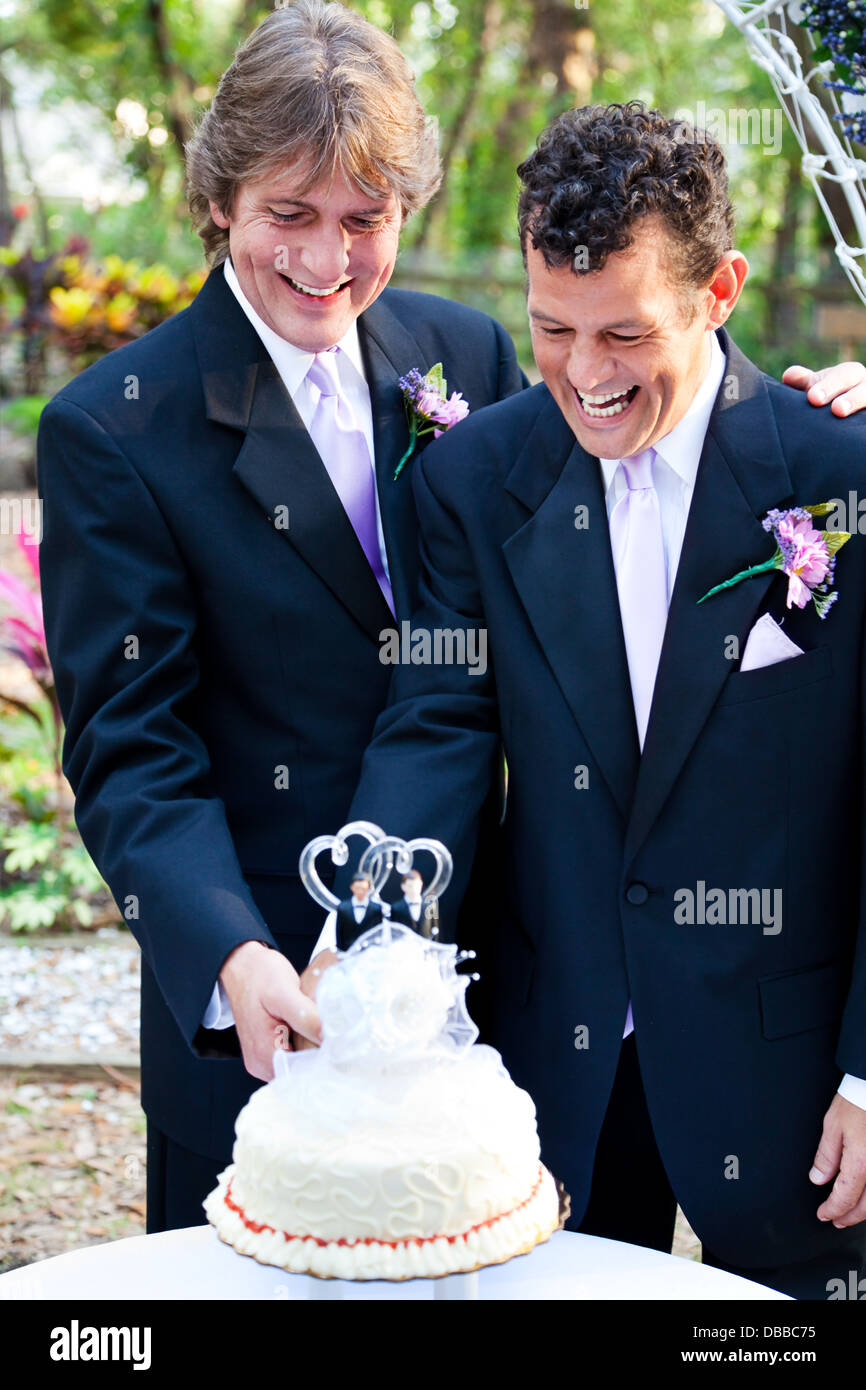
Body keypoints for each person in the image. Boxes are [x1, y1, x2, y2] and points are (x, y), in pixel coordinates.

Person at [322, 102, 866, 1297]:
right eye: (551, 330)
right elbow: (437, 718)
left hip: (788, 1069)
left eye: (624, 333)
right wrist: (365, 932)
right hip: (552, 1064)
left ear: (718, 290)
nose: (583, 374)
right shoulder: (470, 478)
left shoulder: (842, 475)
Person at [35, 0, 525, 1234]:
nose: (326, 259)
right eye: (288, 217)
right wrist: (230, 954)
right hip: (272, 995)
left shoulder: (463, 354)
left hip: (491, 989)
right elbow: (130, 748)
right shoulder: (117, 427)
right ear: (219, 204)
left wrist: (795, 432)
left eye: (365, 221)